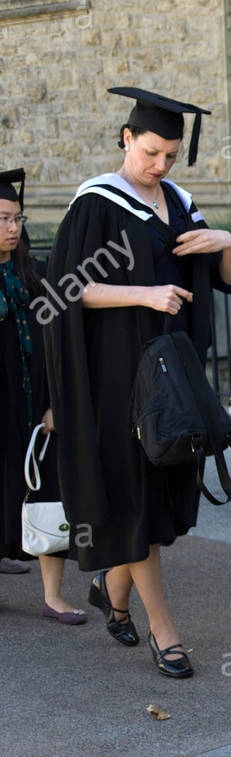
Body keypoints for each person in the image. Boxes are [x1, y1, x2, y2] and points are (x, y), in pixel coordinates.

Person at [43, 88, 231, 678]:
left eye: (171, 156)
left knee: (161, 495)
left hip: (173, 374)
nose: (160, 166)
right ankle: (166, 632)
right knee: (135, 496)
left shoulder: (180, 203)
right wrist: (144, 293)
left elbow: (228, 280)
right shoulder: (98, 203)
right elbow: (67, 289)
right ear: (126, 138)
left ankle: (113, 588)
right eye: (151, 152)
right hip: (119, 376)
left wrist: (226, 242)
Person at [0, 168, 86, 623]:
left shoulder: (34, 277)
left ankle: (53, 595)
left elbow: (54, 347)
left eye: (17, 218)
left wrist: (54, 403)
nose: (13, 228)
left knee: (44, 491)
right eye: (2, 218)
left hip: (33, 408)